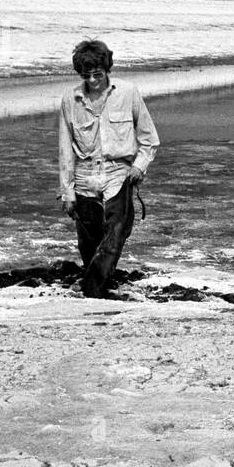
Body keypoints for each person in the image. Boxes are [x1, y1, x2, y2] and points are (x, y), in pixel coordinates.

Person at [56, 39, 160, 298]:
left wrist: (139, 166)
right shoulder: (70, 100)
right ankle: (100, 286)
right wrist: (67, 192)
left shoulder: (128, 93)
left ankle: (92, 290)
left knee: (116, 233)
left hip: (118, 174)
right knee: (89, 242)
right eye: (86, 75)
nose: (92, 80)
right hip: (84, 176)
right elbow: (65, 151)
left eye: (98, 74)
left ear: (107, 69)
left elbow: (149, 139)